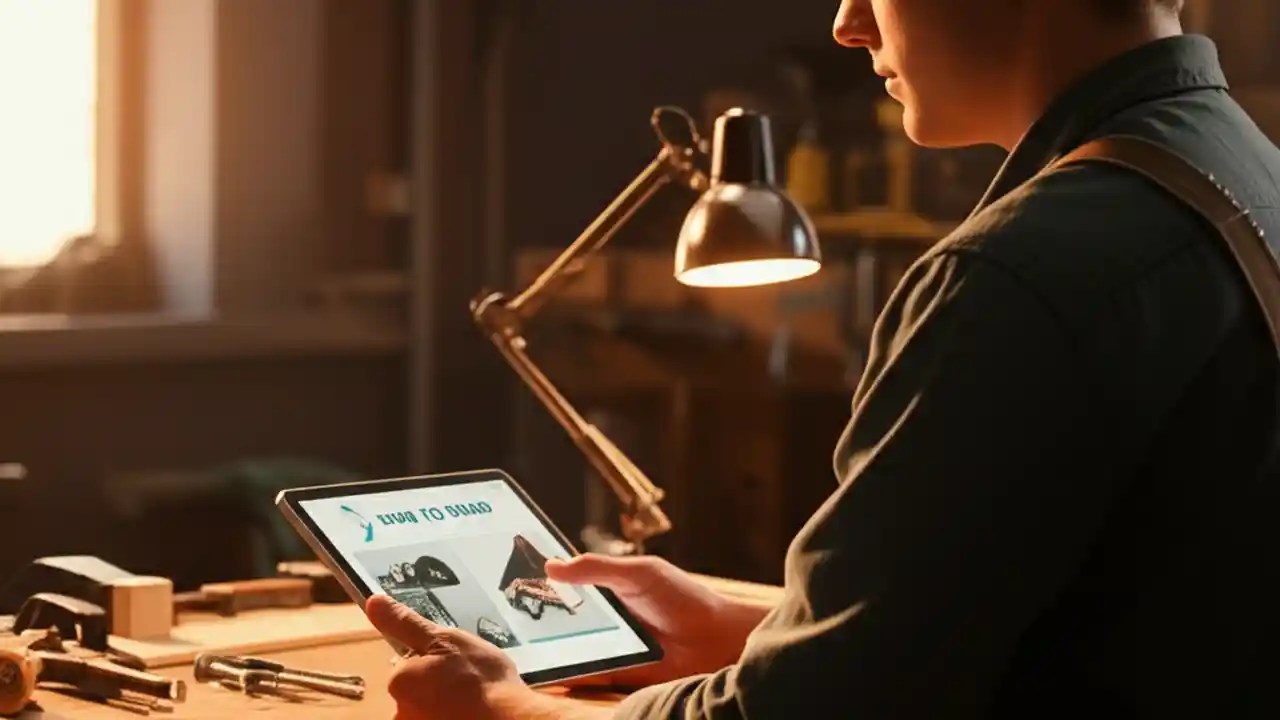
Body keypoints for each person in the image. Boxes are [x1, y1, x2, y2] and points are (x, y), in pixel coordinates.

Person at [365, 0, 1280, 717]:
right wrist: (763, 629)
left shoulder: (1014, 272)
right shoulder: (1246, 175)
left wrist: (507, 709)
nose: (848, 24)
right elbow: (1121, 615)